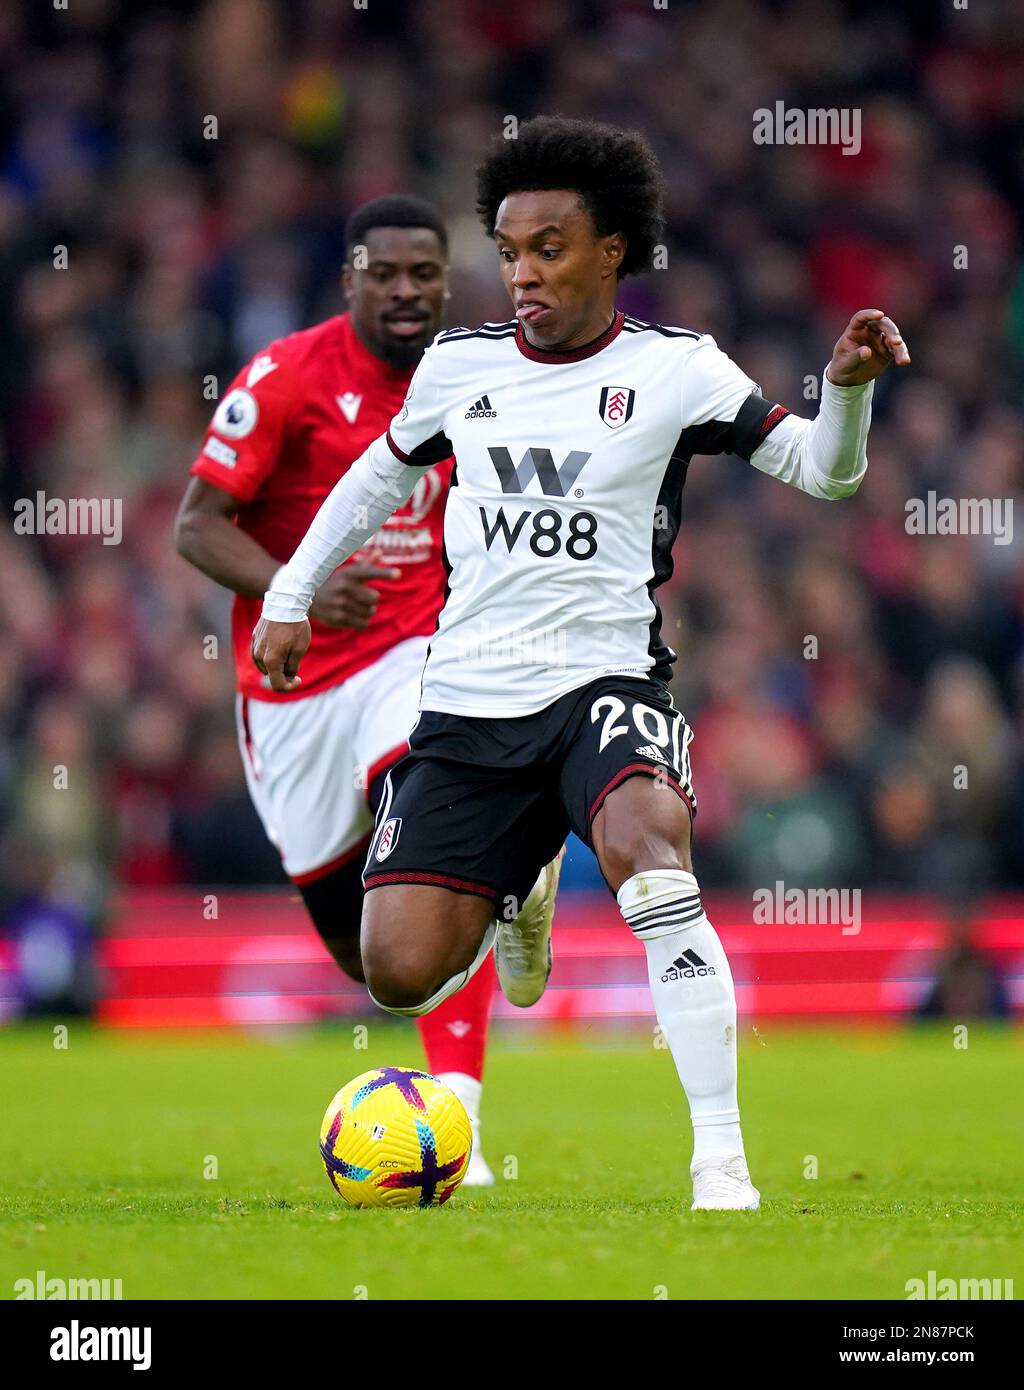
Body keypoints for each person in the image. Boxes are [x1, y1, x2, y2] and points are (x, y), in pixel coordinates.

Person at [251, 117, 911, 1211]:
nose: (522, 274)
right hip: (465, 701)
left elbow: (824, 475)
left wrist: (844, 391)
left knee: (653, 859)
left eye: (548, 248)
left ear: (613, 250)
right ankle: (522, 886)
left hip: (603, 686)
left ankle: (720, 1162)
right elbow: (371, 484)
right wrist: (287, 595)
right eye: (508, 252)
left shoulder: (676, 368)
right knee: (397, 969)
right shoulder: (457, 367)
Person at [176, 195, 558, 1185]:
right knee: (374, 957)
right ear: (350, 280)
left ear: (445, 280)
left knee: (426, 839)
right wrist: (291, 584)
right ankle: (509, 881)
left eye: (422, 274)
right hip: (292, 684)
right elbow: (196, 523)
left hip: (417, 653)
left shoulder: (477, 375)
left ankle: (458, 1118)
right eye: (383, 274)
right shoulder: (286, 378)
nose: (404, 291)